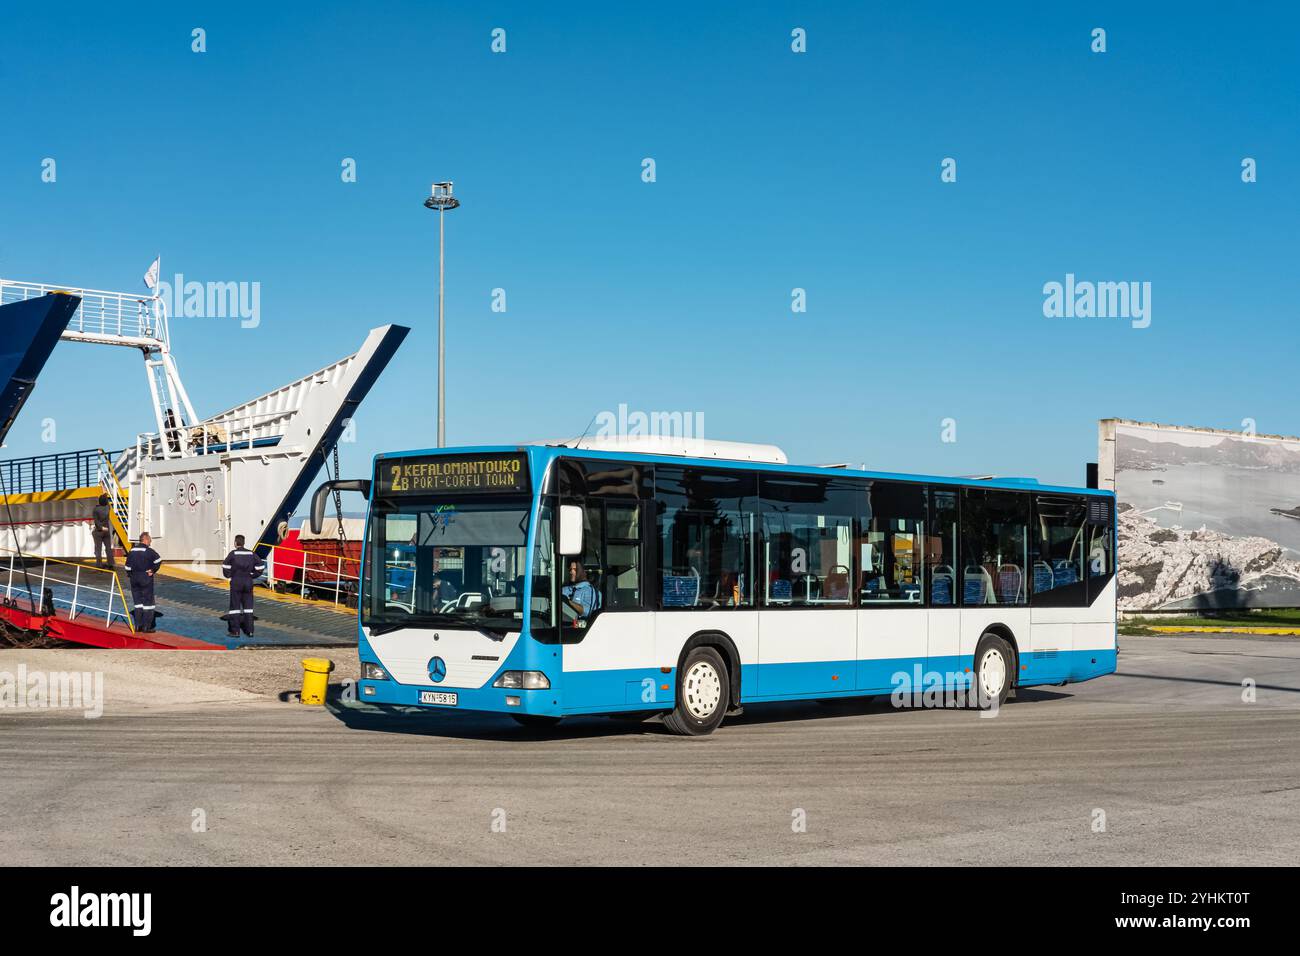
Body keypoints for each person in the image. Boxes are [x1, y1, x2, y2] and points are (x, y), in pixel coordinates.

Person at [221, 534, 265, 638]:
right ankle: (250, 631)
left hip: (236, 581)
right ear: (244, 543)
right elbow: (261, 566)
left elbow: (225, 566)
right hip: (248, 582)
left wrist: (230, 575)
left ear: (236, 543)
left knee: (235, 608)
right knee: (248, 608)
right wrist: (253, 575)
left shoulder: (233, 554)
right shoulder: (251, 554)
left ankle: (235, 631)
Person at [125, 533, 162, 632]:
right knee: (148, 603)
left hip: (134, 578)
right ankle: (146, 627)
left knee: (137, 603)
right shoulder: (148, 551)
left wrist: (130, 574)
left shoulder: (132, 551)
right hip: (145, 578)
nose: (150, 542)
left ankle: (137, 626)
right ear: (145, 540)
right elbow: (159, 560)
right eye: (150, 540)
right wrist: (153, 570)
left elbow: (127, 567)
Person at [90, 494, 115, 568]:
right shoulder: (108, 507)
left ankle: (99, 564)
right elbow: (106, 501)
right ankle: (111, 563)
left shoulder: (96, 509)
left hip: (99, 531)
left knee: (98, 548)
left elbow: (96, 521)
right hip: (106, 531)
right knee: (108, 548)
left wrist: (101, 527)